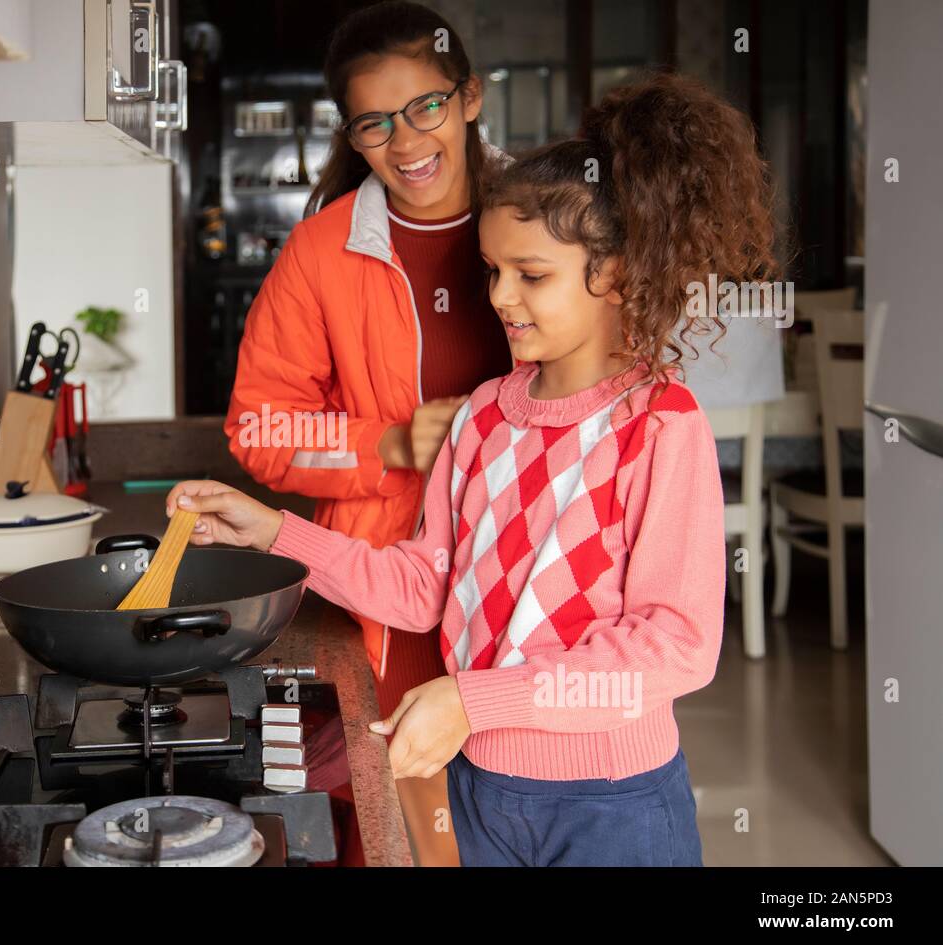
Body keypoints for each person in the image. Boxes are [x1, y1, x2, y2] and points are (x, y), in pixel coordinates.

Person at [176, 70, 778, 865]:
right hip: (484, 787)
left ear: (621, 275)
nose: (500, 297)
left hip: (613, 801)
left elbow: (674, 648)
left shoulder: (661, 426)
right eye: (492, 271)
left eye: (532, 276)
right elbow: (425, 587)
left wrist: (473, 698)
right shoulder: (484, 416)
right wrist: (276, 534)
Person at [222, 1, 510, 865]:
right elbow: (260, 429)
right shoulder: (320, 252)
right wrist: (385, 444)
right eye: (374, 122)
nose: (406, 139)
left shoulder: (548, 221)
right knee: (374, 831)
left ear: (469, 99)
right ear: (352, 133)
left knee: (508, 818)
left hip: (518, 586)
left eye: (425, 105)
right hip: (376, 599)